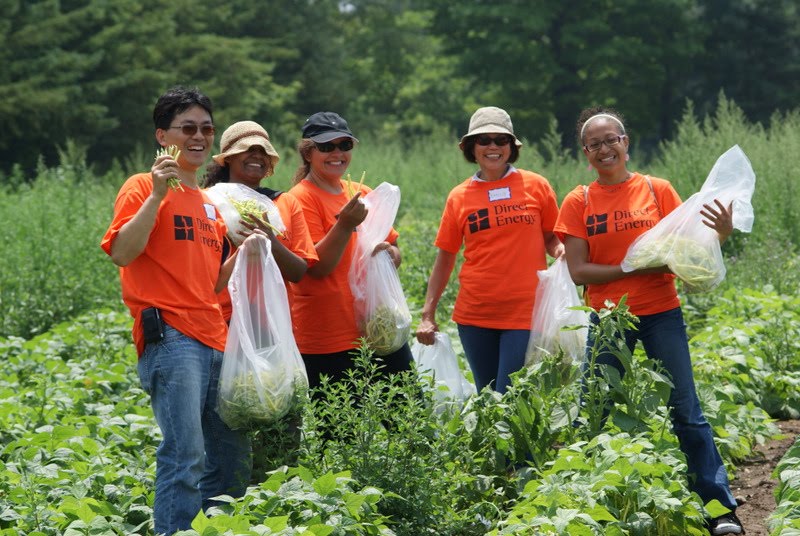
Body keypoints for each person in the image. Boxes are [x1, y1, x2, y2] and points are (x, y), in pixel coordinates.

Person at [554, 106, 743, 536]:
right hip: (609, 319)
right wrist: (634, 266)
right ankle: (584, 509)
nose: (605, 149)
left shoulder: (657, 191)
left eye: (612, 139)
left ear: (626, 141)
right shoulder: (579, 200)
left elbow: (689, 252)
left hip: (661, 313)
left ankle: (720, 510)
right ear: (586, 152)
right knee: (595, 412)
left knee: (686, 411)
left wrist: (721, 236)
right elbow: (579, 271)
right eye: (595, 143)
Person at [100, 87, 256, 535]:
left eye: (206, 129)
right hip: (171, 338)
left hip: (213, 337)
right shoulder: (140, 186)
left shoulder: (209, 204)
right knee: (185, 455)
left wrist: (240, 253)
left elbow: (207, 286)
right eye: (188, 128)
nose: (199, 136)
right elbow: (123, 254)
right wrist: (156, 194)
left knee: (228, 457)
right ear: (162, 135)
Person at [415, 106, 564, 394]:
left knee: (510, 395)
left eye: (501, 140)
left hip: (526, 311)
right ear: (472, 147)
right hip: (475, 315)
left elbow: (551, 237)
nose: (493, 147)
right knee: (487, 396)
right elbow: (446, 257)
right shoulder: (459, 196)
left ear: (511, 146)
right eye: (484, 140)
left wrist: (559, 249)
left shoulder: (536, 186)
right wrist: (427, 314)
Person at [287, 111, 413, 393]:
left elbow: (395, 249)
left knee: (406, 422)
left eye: (345, 146)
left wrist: (390, 254)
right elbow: (317, 268)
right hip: (329, 338)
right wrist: (345, 224)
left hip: (379, 329)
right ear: (308, 152)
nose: (337, 153)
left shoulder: (361, 193)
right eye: (326, 146)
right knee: (339, 433)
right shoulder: (299, 199)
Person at [204, 120, 319, 321]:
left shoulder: (284, 202)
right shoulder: (207, 200)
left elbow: (298, 272)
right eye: (249, 149)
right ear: (228, 157)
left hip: (273, 320)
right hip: (222, 320)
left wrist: (271, 241)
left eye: (263, 151)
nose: (257, 155)